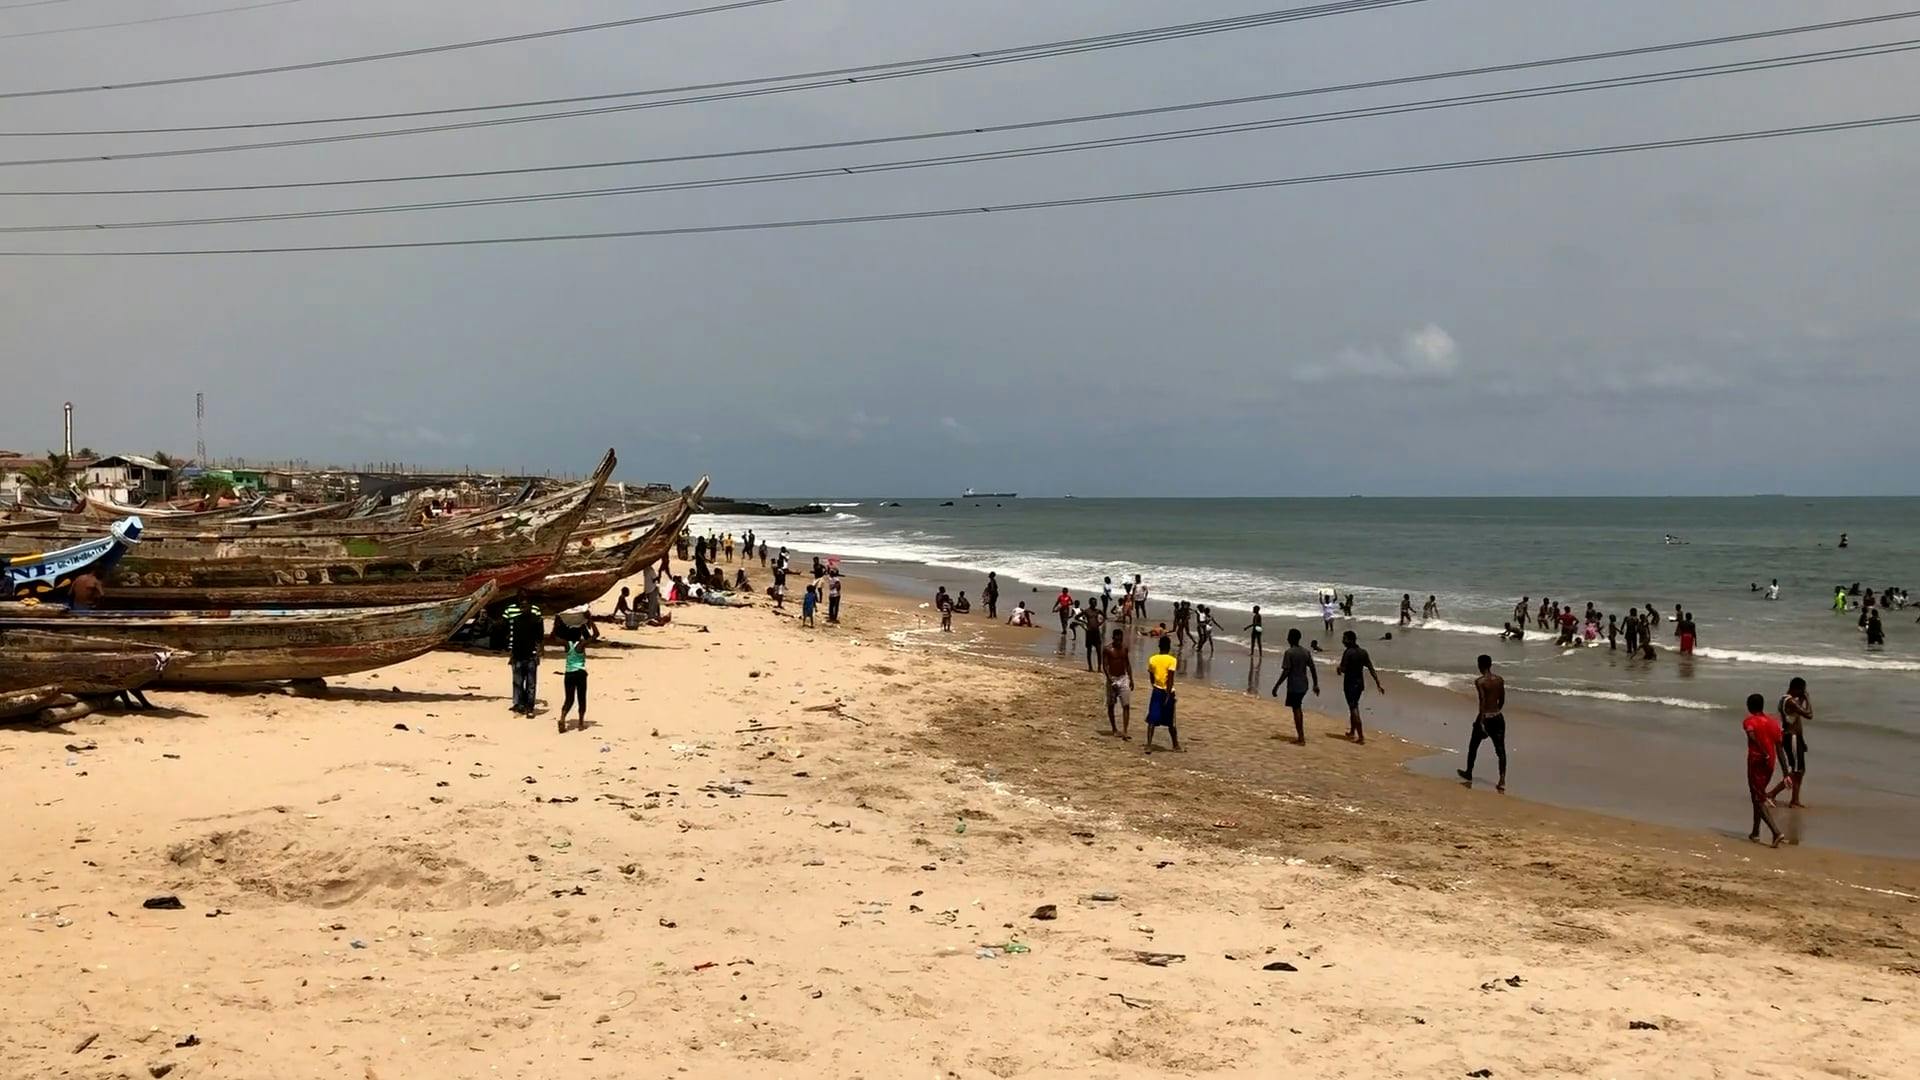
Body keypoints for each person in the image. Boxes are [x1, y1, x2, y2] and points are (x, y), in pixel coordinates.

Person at [1457, 654, 1507, 792]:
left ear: (1480, 665)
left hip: (1486, 717)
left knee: (1473, 745)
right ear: (1490, 665)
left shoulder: (1480, 682)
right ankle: (1502, 780)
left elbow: (1482, 701)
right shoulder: (1500, 680)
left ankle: (1469, 772)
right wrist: (1496, 711)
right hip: (1498, 717)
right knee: (1500, 750)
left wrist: (1482, 721)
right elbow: (1502, 700)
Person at [1742, 692, 1785, 847]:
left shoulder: (1749, 721)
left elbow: (1752, 735)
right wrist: (1786, 772)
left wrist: (1762, 751)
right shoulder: (1773, 723)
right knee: (1758, 796)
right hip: (1770, 764)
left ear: (1749, 706)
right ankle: (1755, 832)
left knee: (1758, 798)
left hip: (1757, 761)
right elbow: (1779, 748)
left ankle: (1776, 832)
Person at [1268, 628, 1318, 744]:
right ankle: (1300, 736)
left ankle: (1301, 738)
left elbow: (1286, 671)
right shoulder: (1306, 652)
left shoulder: (1289, 653)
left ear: (1290, 638)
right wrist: (1315, 684)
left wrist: (1277, 685)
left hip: (1294, 685)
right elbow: (1312, 668)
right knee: (1297, 707)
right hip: (1304, 684)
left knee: (1296, 709)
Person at [1768, 677, 1811, 808]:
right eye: (1802, 690)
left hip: (1795, 737)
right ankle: (1772, 793)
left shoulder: (1787, 700)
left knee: (1800, 770)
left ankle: (1795, 799)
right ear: (1796, 689)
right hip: (1792, 737)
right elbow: (1809, 714)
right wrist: (1808, 699)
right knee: (1796, 771)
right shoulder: (1790, 701)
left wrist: (1802, 740)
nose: (1803, 692)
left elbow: (1796, 720)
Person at [1335, 629, 1384, 743]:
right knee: (1354, 705)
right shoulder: (1363, 652)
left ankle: (1361, 736)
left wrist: (1338, 669)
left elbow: (1343, 669)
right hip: (1360, 684)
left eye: (1344, 639)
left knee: (1353, 708)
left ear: (1350, 640)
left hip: (1350, 683)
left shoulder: (1348, 652)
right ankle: (1352, 731)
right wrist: (1378, 683)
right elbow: (1371, 668)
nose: (1343, 641)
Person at [503, 595, 544, 715]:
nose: (523, 608)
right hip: (518, 655)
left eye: (526, 606)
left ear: (530, 607)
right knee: (518, 683)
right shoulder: (516, 620)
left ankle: (530, 707)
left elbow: (539, 639)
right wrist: (512, 655)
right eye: (522, 606)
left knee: (531, 684)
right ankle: (520, 705)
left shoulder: (536, 621)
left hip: (531, 656)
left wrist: (538, 654)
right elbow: (514, 638)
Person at [554, 615, 594, 734]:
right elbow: (596, 635)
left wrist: (557, 624)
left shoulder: (566, 644)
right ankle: (580, 723)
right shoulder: (581, 645)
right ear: (578, 635)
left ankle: (562, 717)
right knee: (581, 698)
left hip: (569, 674)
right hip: (580, 673)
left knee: (569, 699)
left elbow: (554, 637)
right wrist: (590, 621)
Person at [1143, 635, 1180, 752]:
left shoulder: (1152, 659)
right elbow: (1170, 679)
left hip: (1157, 690)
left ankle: (1149, 745)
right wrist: (1168, 695)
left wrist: (1155, 685)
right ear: (1169, 647)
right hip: (1168, 691)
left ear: (1159, 646)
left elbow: (1151, 676)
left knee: (1152, 718)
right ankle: (1175, 745)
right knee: (1171, 721)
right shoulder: (1172, 660)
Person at [1101, 627, 1133, 739]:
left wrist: (1131, 679)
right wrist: (1110, 680)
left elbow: (1127, 664)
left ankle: (1125, 731)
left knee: (1126, 705)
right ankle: (1114, 728)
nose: (1119, 642)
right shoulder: (1107, 649)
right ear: (1113, 638)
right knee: (1111, 705)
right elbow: (1105, 666)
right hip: (1112, 678)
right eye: (1117, 639)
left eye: (1121, 639)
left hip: (1123, 678)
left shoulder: (1125, 648)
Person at [1081, 601, 1105, 671]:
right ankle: (1090, 667)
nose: (1094, 604)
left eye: (1095, 603)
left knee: (1099, 650)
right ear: (1090, 603)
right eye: (1093, 603)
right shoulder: (1086, 611)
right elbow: (1077, 617)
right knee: (1089, 650)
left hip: (1096, 632)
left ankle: (1099, 667)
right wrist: (1084, 623)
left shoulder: (1098, 611)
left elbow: (1105, 616)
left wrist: (1100, 623)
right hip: (1089, 632)